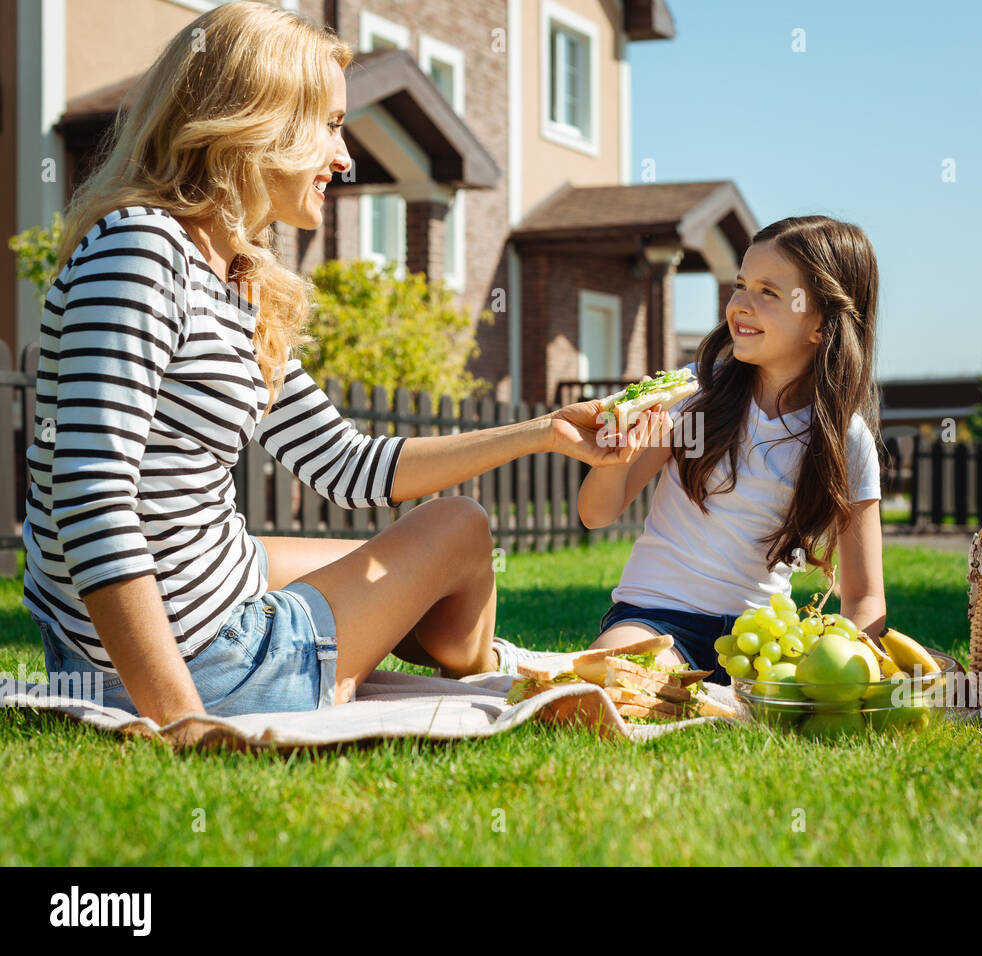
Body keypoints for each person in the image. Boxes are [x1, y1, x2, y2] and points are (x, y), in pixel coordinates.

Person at [22, 1, 654, 743]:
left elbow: (346, 466)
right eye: (328, 123)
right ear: (255, 121)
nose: (344, 155)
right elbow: (89, 495)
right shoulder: (142, 253)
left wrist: (543, 432)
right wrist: (180, 718)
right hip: (214, 669)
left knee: (332, 555)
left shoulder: (231, 279)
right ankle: (488, 667)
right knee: (462, 528)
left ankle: (477, 656)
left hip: (124, 642)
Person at [576, 216, 886, 684]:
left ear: (819, 325)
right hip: (659, 620)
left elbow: (864, 597)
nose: (739, 304)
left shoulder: (846, 439)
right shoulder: (692, 396)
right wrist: (613, 461)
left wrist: (849, 669)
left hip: (765, 643)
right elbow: (596, 514)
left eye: (767, 292)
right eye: (740, 285)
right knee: (611, 681)